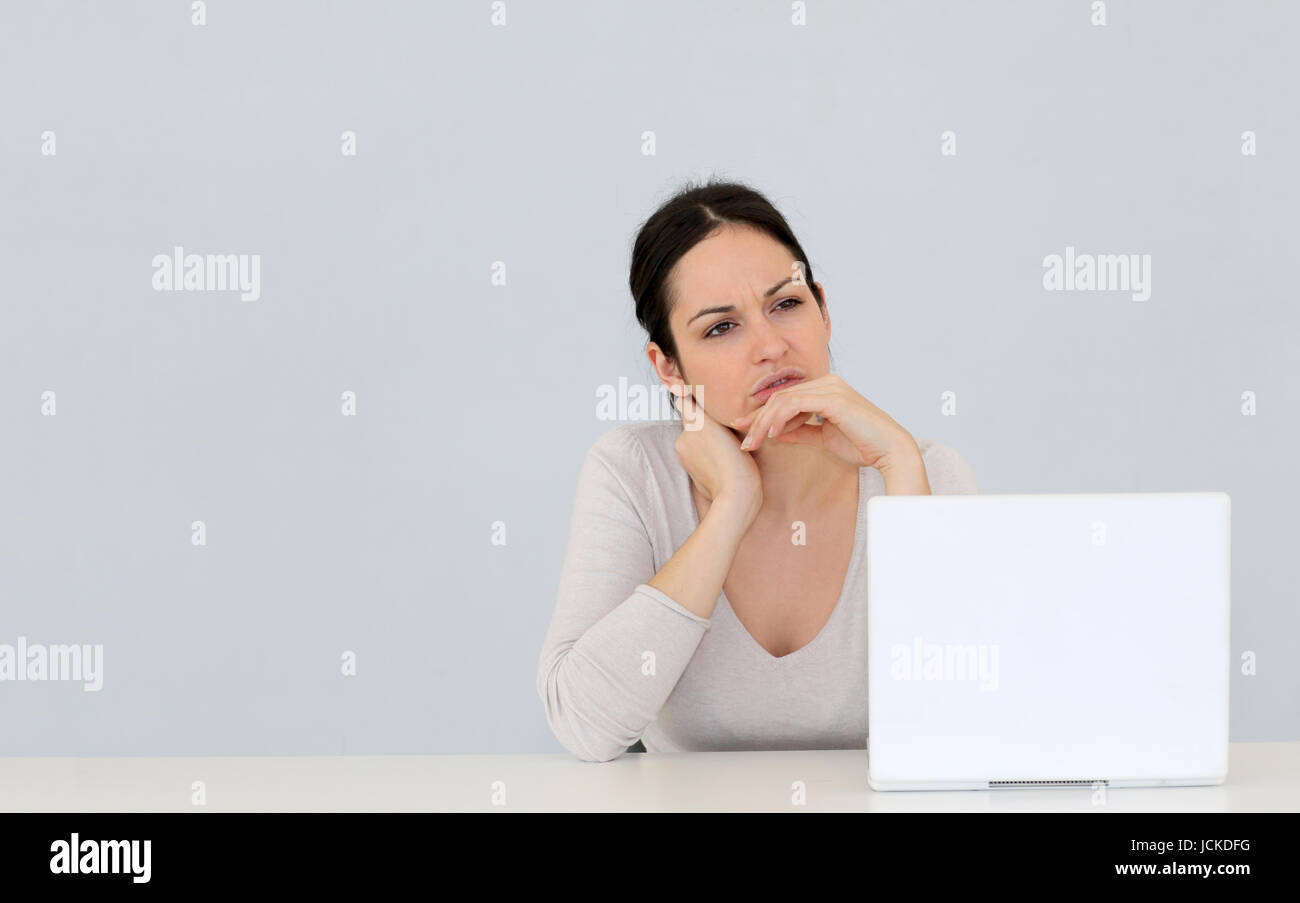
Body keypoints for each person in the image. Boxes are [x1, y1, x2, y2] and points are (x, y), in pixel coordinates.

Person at [536, 178, 978, 762]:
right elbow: (585, 726)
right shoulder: (633, 471)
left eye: (786, 304)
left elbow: (964, 718)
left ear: (822, 309)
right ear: (668, 368)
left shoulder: (925, 474)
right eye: (721, 327)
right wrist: (731, 507)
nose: (770, 346)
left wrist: (900, 467)